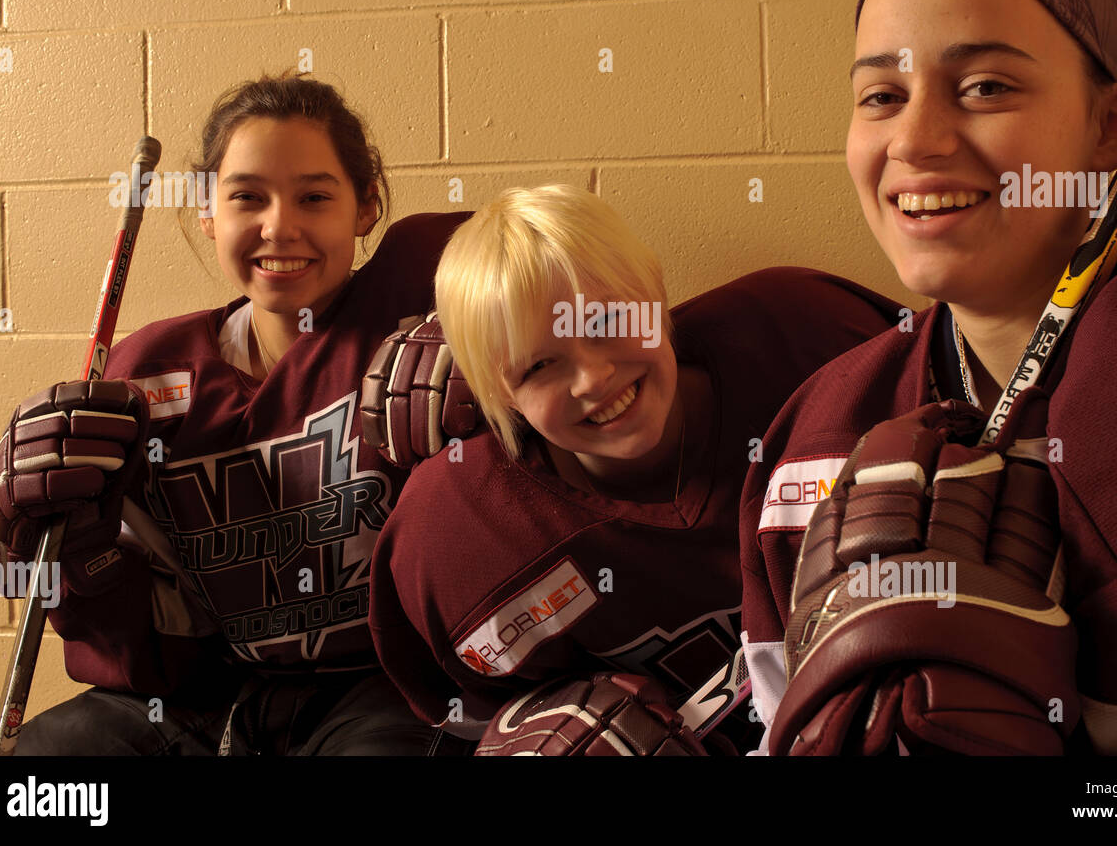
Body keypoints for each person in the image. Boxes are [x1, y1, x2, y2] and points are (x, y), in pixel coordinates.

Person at [740, 0, 1117, 755]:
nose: (916, 138)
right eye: (880, 95)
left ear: (1113, 128)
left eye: (985, 86)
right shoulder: (813, 437)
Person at [0, 74, 471, 755]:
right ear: (208, 214)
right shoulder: (147, 373)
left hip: (384, 688)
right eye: (247, 197)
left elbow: (555, 260)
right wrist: (59, 548)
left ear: (367, 208)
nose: (280, 225)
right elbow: (148, 649)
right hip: (210, 696)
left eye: (314, 196)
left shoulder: (428, 292)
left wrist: (498, 339)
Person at [365, 183, 901, 753]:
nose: (593, 378)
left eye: (604, 321)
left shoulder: (807, 333)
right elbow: (463, 713)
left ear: (654, 292)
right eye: (540, 365)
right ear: (498, 395)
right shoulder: (458, 535)